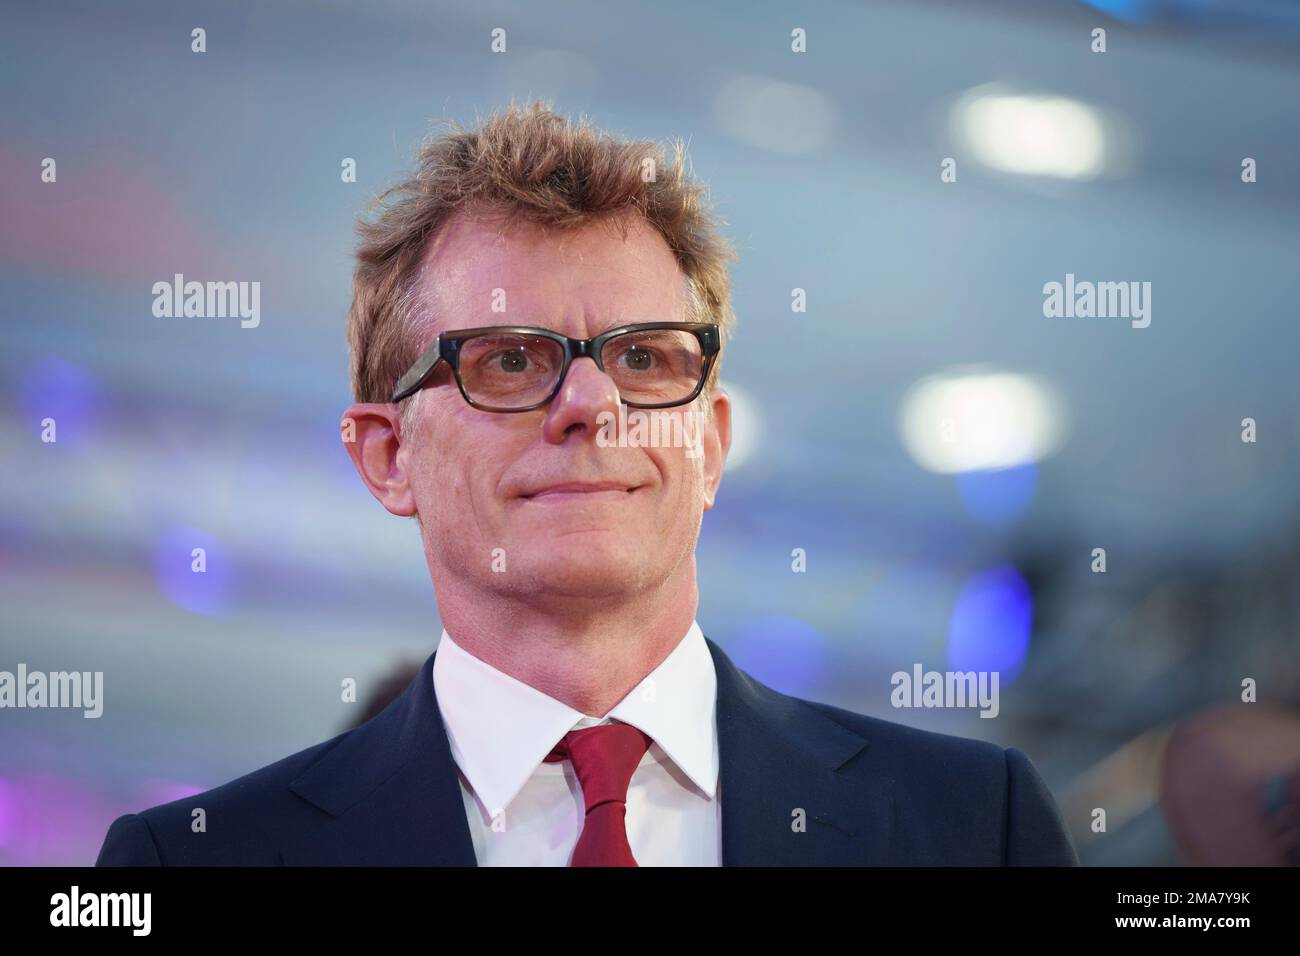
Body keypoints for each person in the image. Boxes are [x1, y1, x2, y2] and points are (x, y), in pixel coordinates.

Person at [96, 102, 1078, 866]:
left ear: (710, 443)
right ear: (387, 456)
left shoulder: (968, 824)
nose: (591, 404)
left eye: (645, 358)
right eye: (511, 360)